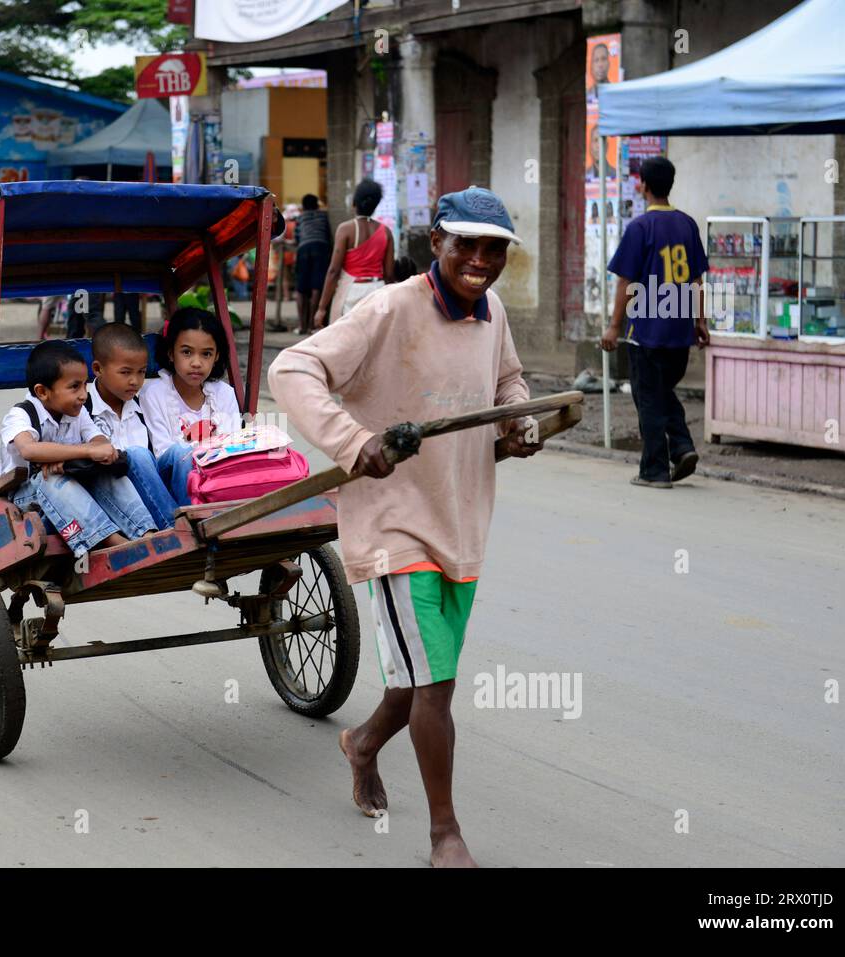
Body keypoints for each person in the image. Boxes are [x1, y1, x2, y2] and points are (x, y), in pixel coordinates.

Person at [269, 186, 543, 868]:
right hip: (393, 527)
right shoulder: (388, 307)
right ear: (435, 243)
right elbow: (292, 366)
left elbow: (507, 382)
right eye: (467, 244)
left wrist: (520, 419)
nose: (480, 260)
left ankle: (361, 743)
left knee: (423, 672)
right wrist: (350, 439)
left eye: (494, 248)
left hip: (461, 519)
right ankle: (444, 834)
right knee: (435, 686)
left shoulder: (493, 312)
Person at [601, 155, 709, 488]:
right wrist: (700, 322)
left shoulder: (640, 227)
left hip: (646, 330)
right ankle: (682, 446)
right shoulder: (687, 224)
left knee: (648, 399)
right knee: (660, 392)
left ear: (643, 186)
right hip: (678, 328)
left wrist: (614, 326)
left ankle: (654, 470)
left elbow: (626, 282)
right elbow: (696, 282)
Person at [0, 341, 158, 556]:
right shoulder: (21, 415)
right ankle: (111, 540)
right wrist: (85, 451)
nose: (84, 394)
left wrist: (74, 456)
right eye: (75, 387)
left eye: (85, 384)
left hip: (72, 481)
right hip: (26, 496)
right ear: (43, 392)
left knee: (106, 470)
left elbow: (101, 443)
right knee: (51, 479)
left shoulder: (78, 411)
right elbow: (29, 449)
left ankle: (145, 532)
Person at [138, 307, 242, 506]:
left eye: (206, 354)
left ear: (217, 356)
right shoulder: (154, 393)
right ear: (170, 353)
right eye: (186, 352)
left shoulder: (224, 393)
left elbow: (233, 447)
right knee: (179, 453)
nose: (196, 363)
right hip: (172, 479)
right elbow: (163, 451)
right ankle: (193, 516)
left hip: (218, 478)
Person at [87, 323, 176, 530]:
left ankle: (194, 517)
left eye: (142, 372)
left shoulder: (143, 405)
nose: (135, 381)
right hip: (111, 500)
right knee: (137, 454)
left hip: (151, 494)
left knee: (179, 453)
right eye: (125, 372)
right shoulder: (82, 408)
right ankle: (173, 528)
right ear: (98, 369)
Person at [315, 179, 395, 328]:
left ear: (354, 203)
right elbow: (389, 274)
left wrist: (321, 308)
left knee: (348, 340)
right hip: (379, 290)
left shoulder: (345, 229)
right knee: (377, 340)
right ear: (376, 205)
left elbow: (333, 271)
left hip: (352, 292)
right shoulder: (386, 232)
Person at [294, 193, 331, 333]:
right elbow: (328, 234)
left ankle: (301, 326)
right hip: (321, 248)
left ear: (303, 206)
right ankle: (311, 325)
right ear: (317, 204)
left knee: (301, 289)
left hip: (304, 249)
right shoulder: (324, 216)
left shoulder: (300, 218)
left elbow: (297, 238)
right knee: (317, 287)